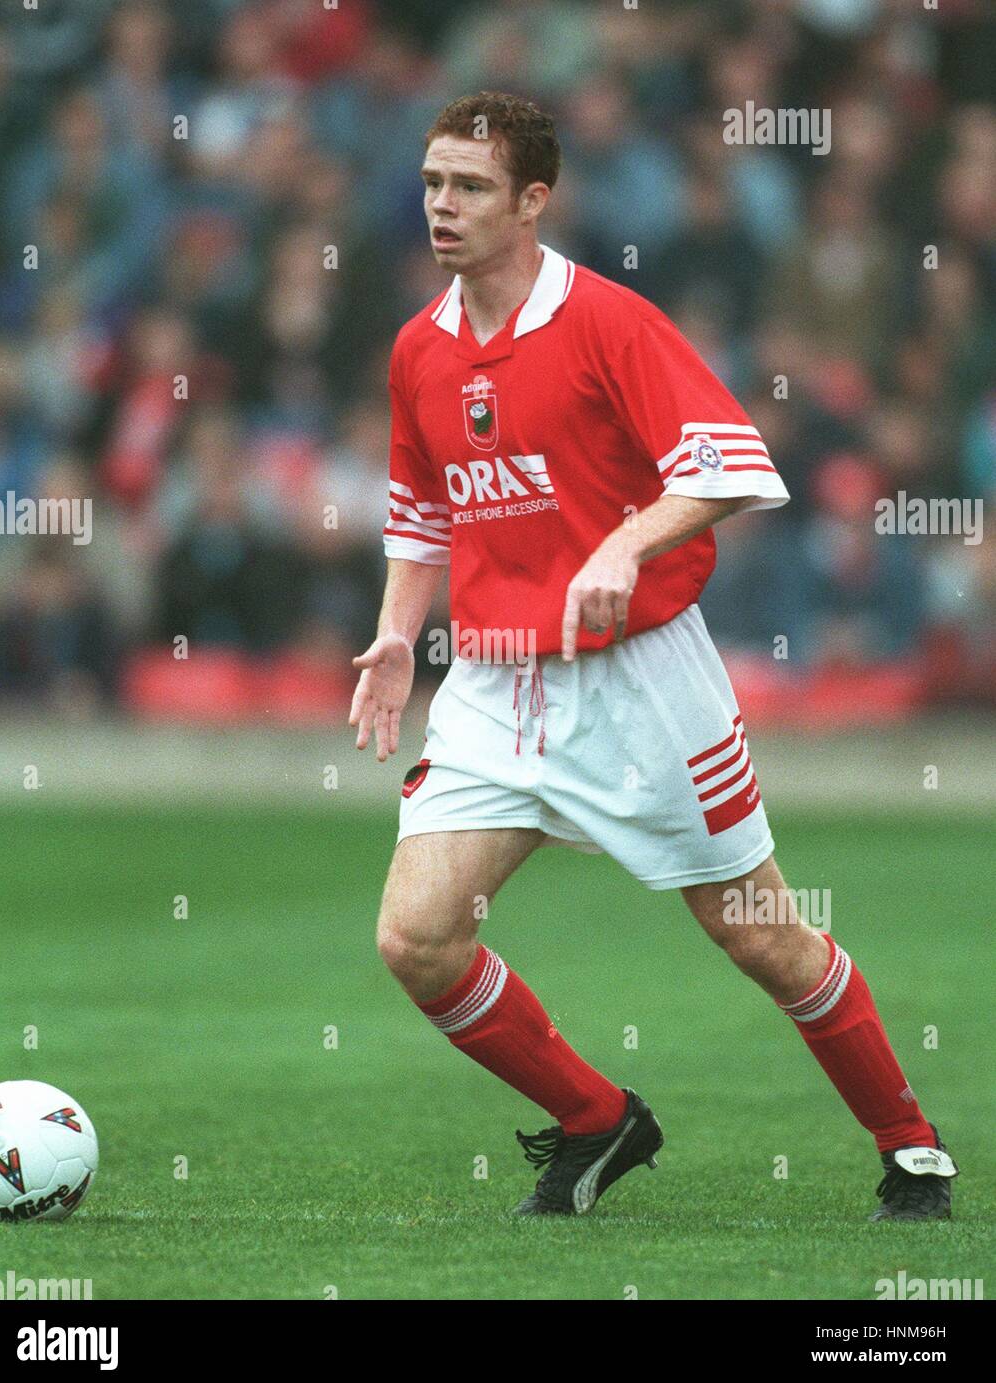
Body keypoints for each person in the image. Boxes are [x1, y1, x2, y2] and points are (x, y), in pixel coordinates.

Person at [349, 92, 958, 1220]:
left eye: (472, 186)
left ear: (535, 200)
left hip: (640, 684)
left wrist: (625, 542)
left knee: (762, 938)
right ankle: (597, 1118)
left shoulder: (609, 323)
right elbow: (420, 509)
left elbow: (733, 462)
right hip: (493, 682)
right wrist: (396, 632)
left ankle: (911, 1146)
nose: (444, 205)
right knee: (416, 938)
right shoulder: (418, 349)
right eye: (434, 182)